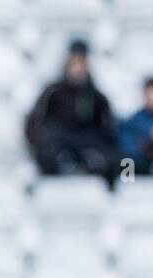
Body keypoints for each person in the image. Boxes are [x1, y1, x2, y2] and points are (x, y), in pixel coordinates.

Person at [25, 39, 117, 184]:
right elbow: (35, 123)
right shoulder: (52, 92)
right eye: (74, 63)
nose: (78, 68)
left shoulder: (97, 97)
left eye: (81, 63)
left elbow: (108, 129)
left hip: (88, 144)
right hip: (59, 144)